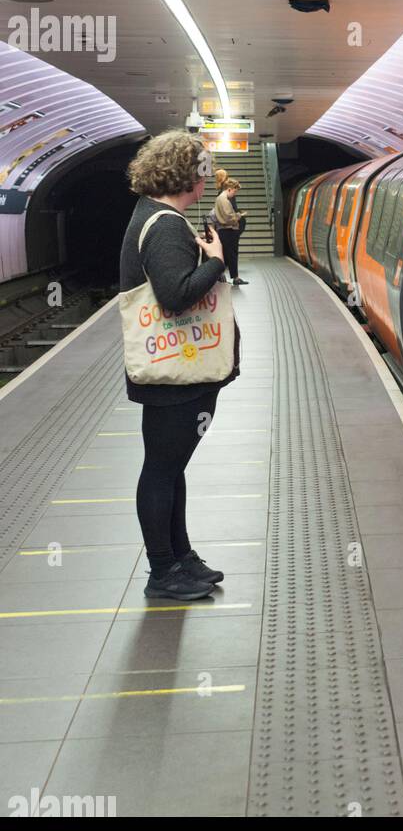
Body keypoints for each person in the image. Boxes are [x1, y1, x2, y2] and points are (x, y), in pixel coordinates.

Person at [120, 131, 240, 601]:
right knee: (162, 469)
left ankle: (181, 557)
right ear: (189, 176)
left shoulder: (153, 214)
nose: (208, 179)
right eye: (204, 170)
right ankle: (162, 569)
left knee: (171, 467)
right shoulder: (166, 224)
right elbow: (174, 296)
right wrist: (216, 260)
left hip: (175, 373)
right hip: (175, 374)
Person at [213, 170, 248, 286]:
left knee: (227, 253)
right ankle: (232, 277)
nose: (234, 194)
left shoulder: (220, 196)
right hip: (228, 229)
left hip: (225, 229)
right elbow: (228, 217)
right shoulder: (224, 199)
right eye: (234, 191)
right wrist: (239, 215)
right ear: (229, 189)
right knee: (231, 253)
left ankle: (225, 275)